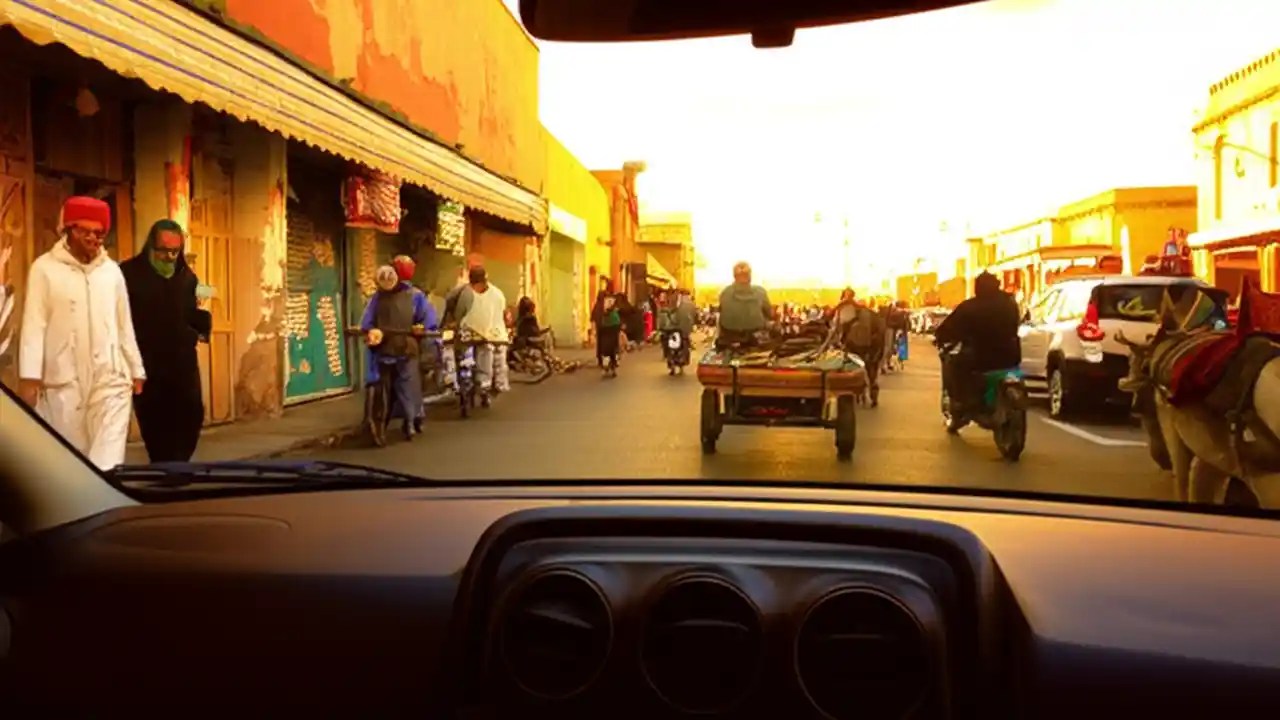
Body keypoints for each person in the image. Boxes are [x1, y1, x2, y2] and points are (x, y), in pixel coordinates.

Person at [18, 196, 146, 470]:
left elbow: (124, 324)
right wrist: (29, 377)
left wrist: (136, 368)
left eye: (98, 233)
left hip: (111, 377)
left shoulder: (112, 272)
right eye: (84, 231)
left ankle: (105, 504)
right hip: (63, 380)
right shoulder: (44, 269)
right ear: (68, 229)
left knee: (108, 458)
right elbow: (34, 324)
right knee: (70, 459)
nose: (92, 238)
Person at [120, 219, 212, 462]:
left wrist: (199, 326)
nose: (170, 257)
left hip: (183, 365)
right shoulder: (128, 274)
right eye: (163, 250)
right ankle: (166, 473)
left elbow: (192, 310)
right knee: (156, 426)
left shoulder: (186, 277)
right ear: (151, 245)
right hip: (148, 365)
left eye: (175, 251)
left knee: (192, 416)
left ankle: (178, 467)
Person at [360, 258, 433, 439]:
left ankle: (410, 420)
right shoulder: (377, 298)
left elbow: (428, 319)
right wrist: (369, 331)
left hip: (406, 347)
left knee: (409, 387)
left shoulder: (415, 296)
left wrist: (422, 327)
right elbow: (367, 320)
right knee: (382, 385)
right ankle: (381, 418)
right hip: (383, 348)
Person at [933, 271, 1022, 411]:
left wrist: (940, 337)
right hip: (1010, 357)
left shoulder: (970, 307)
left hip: (980, 358)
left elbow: (950, 327)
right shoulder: (1009, 303)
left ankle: (960, 402)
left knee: (954, 364)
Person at [456, 265, 508, 403]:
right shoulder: (465, 293)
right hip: (469, 334)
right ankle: (466, 383)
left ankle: (487, 385)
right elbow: (459, 314)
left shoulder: (496, 295)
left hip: (491, 336)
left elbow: (501, 316)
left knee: (491, 354)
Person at [831, 291, 886, 407]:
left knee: (857, 371)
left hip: (855, 347)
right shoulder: (873, 314)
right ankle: (872, 395)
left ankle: (861, 395)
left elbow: (838, 328)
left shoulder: (846, 309)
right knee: (872, 373)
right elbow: (881, 332)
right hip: (872, 348)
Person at [716, 261, 772, 345]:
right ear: (750, 276)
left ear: (734, 276)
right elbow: (769, 314)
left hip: (729, 337)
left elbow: (722, 312)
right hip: (755, 338)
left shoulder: (725, 292)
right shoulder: (760, 292)